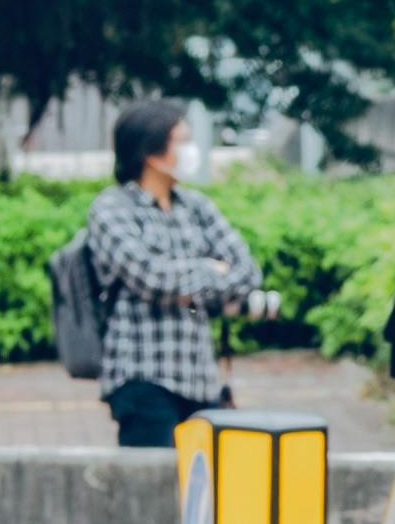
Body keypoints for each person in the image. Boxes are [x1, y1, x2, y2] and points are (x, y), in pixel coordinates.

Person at [63, 107, 272, 455]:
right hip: (142, 377)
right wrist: (211, 269)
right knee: (154, 497)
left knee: (204, 500)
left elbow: (247, 271)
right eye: (182, 142)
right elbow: (152, 279)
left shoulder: (196, 206)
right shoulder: (112, 209)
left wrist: (187, 281)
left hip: (201, 379)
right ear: (151, 153)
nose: (190, 151)